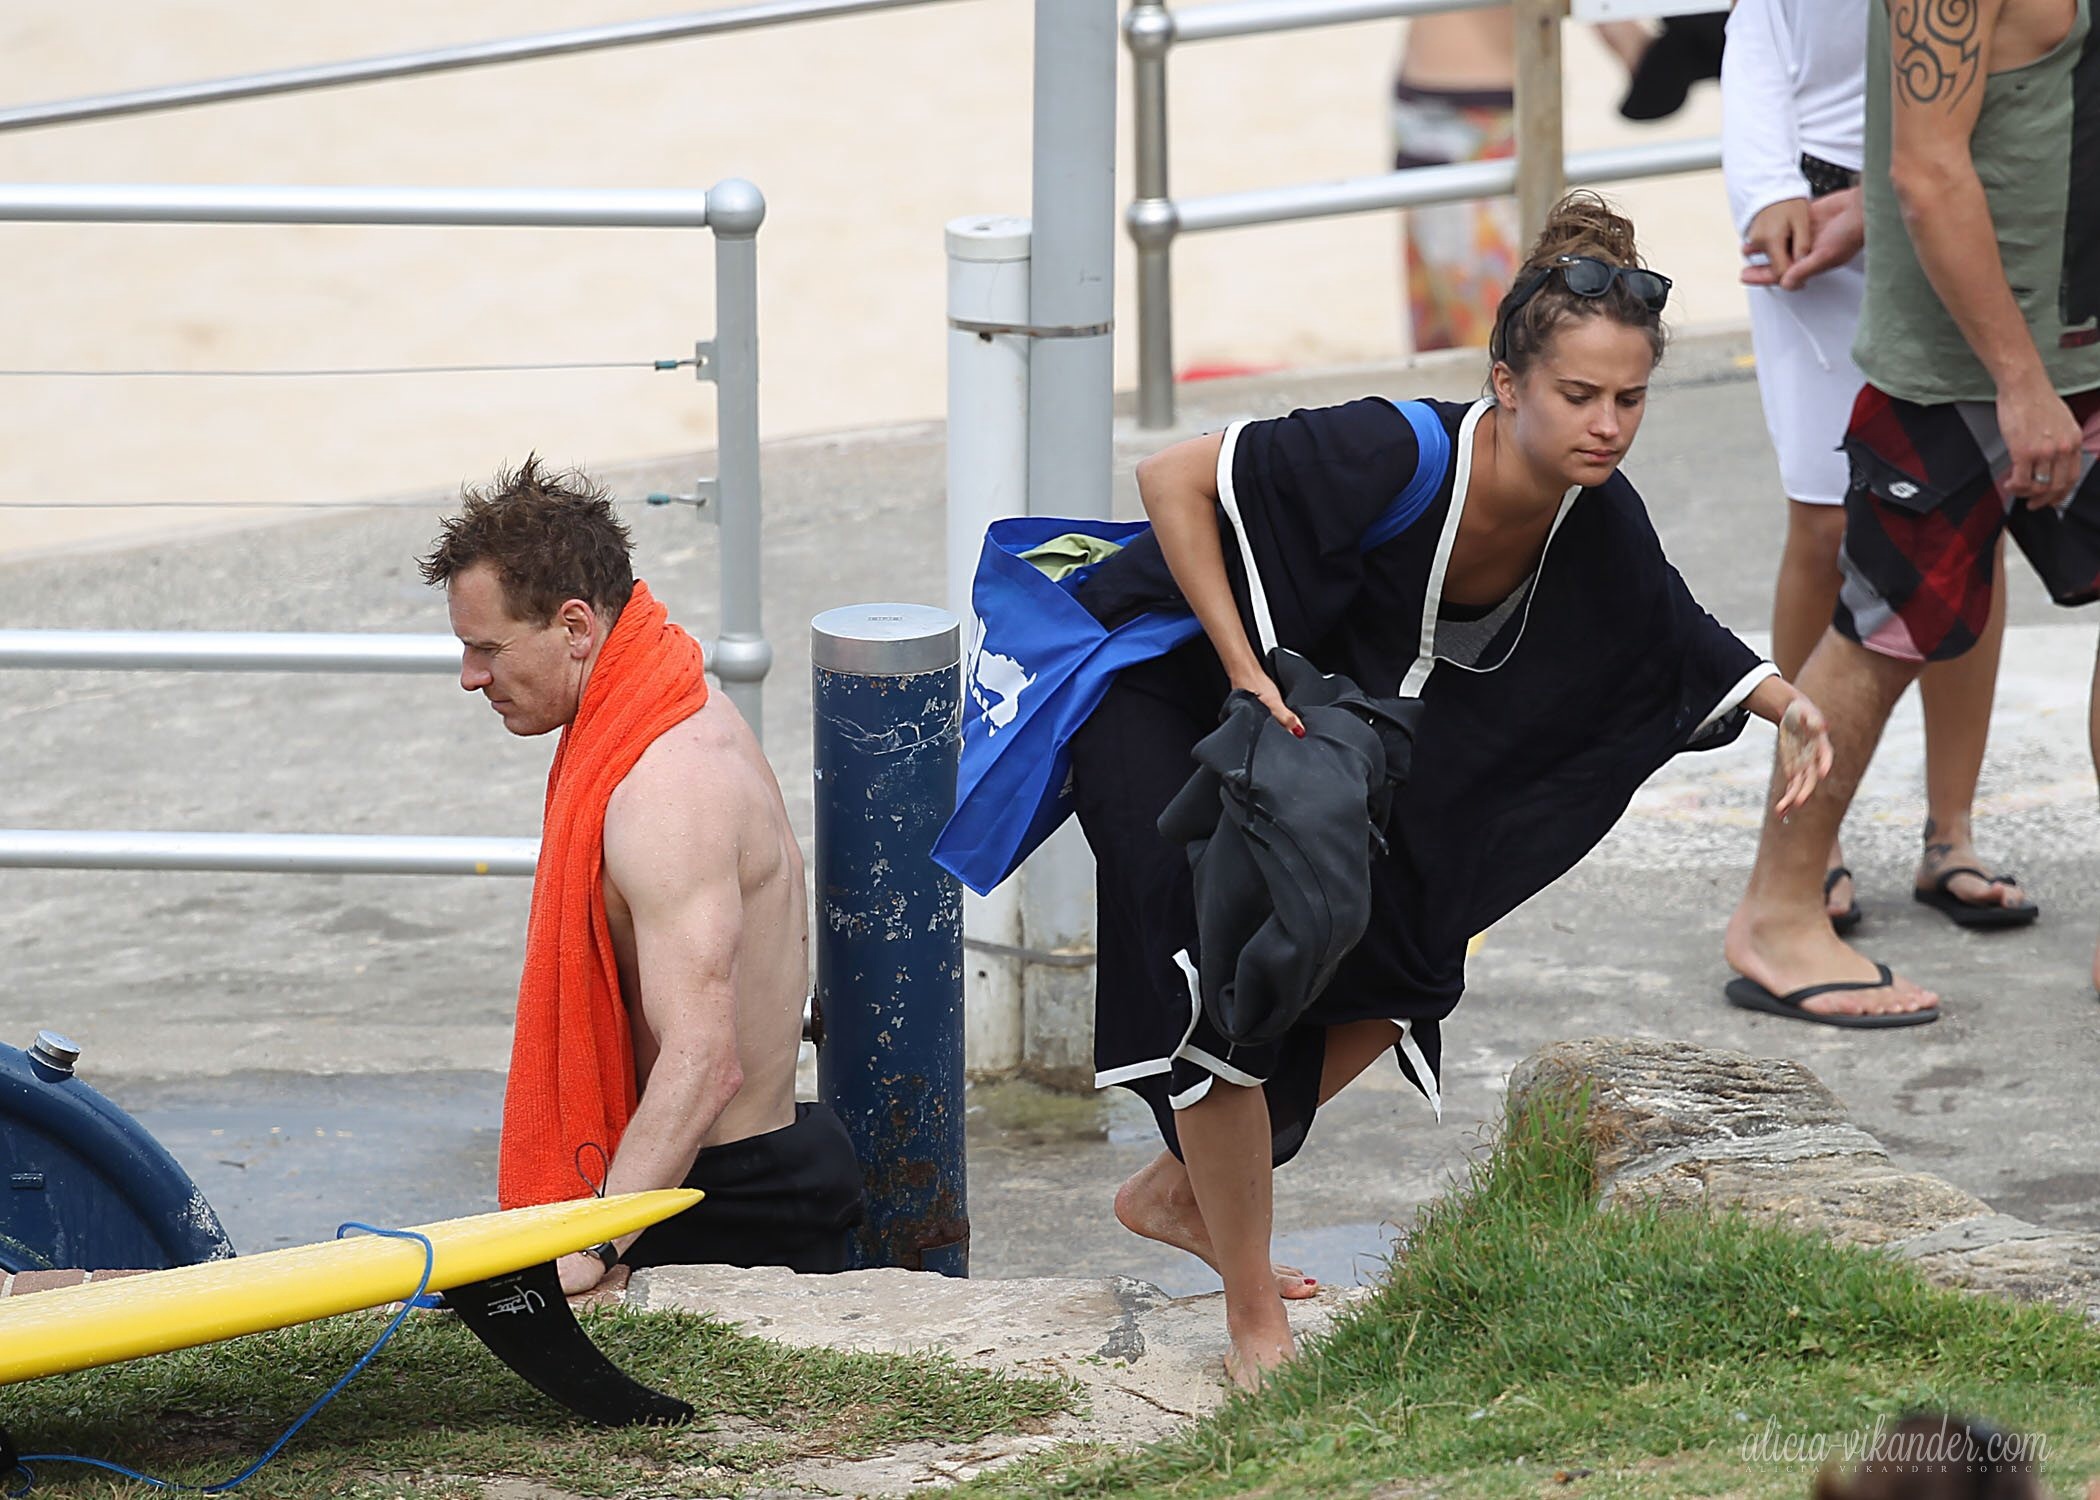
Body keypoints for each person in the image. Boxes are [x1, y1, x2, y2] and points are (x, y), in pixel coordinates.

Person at [1070, 192, 1834, 1386]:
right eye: (1579, 396)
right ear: (1508, 384)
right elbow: (1172, 477)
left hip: (1299, 727)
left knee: (1412, 951)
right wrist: (1235, 664)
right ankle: (1252, 1322)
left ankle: (1177, 1192)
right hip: (1162, 692)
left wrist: (1791, 705)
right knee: (1226, 961)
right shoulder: (1392, 447)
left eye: (1629, 399)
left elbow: (1669, 632)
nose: (1607, 424)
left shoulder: (1593, 509)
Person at [1724, 0, 2100, 1021]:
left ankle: (1944, 834)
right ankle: (1782, 908)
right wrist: (2020, 381)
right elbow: (1925, 165)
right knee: (1884, 621)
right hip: (1973, 352)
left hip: (2076, 330)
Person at [421, 459, 862, 1294]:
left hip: (730, 1198)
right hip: (714, 1169)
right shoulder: (668, 700)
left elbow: (703, 1059)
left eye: (486, 648)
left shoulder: (664, 789)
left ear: (576, 626)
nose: (471, 677)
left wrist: (593, 1251)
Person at [1393, 11, 1650, 351]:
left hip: (1432, 92)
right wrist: (1634, 43)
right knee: (1508, 331)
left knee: (1462, 330)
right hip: (1478, 106)